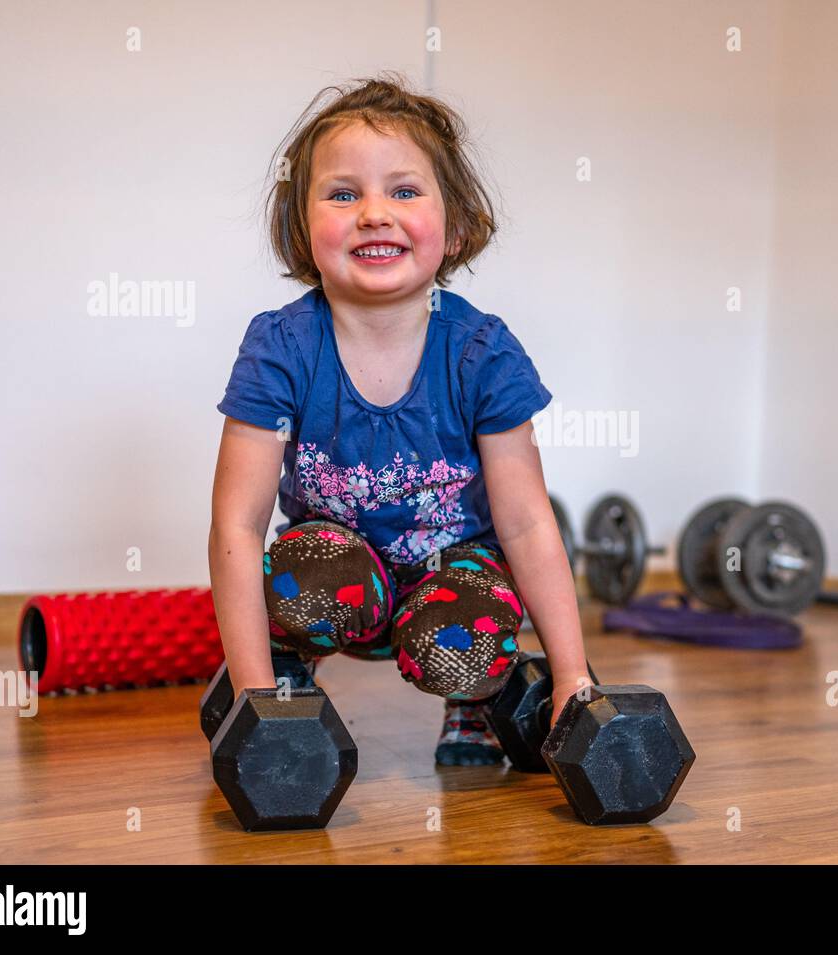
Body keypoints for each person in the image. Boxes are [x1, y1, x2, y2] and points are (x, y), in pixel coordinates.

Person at [207, 72, 588, 767]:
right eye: (343, 193)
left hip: (449, 581)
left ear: (458, 223)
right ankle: (286, 677)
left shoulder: (483, 352)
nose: (374, 212)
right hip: (339, 577)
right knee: (300, 572)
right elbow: (237, 523)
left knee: (474, 612)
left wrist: (573, 678)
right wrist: (251, 692)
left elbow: (529, 522)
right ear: (302, 225)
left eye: (404, 191)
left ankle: (474, 704)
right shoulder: (281, 346)